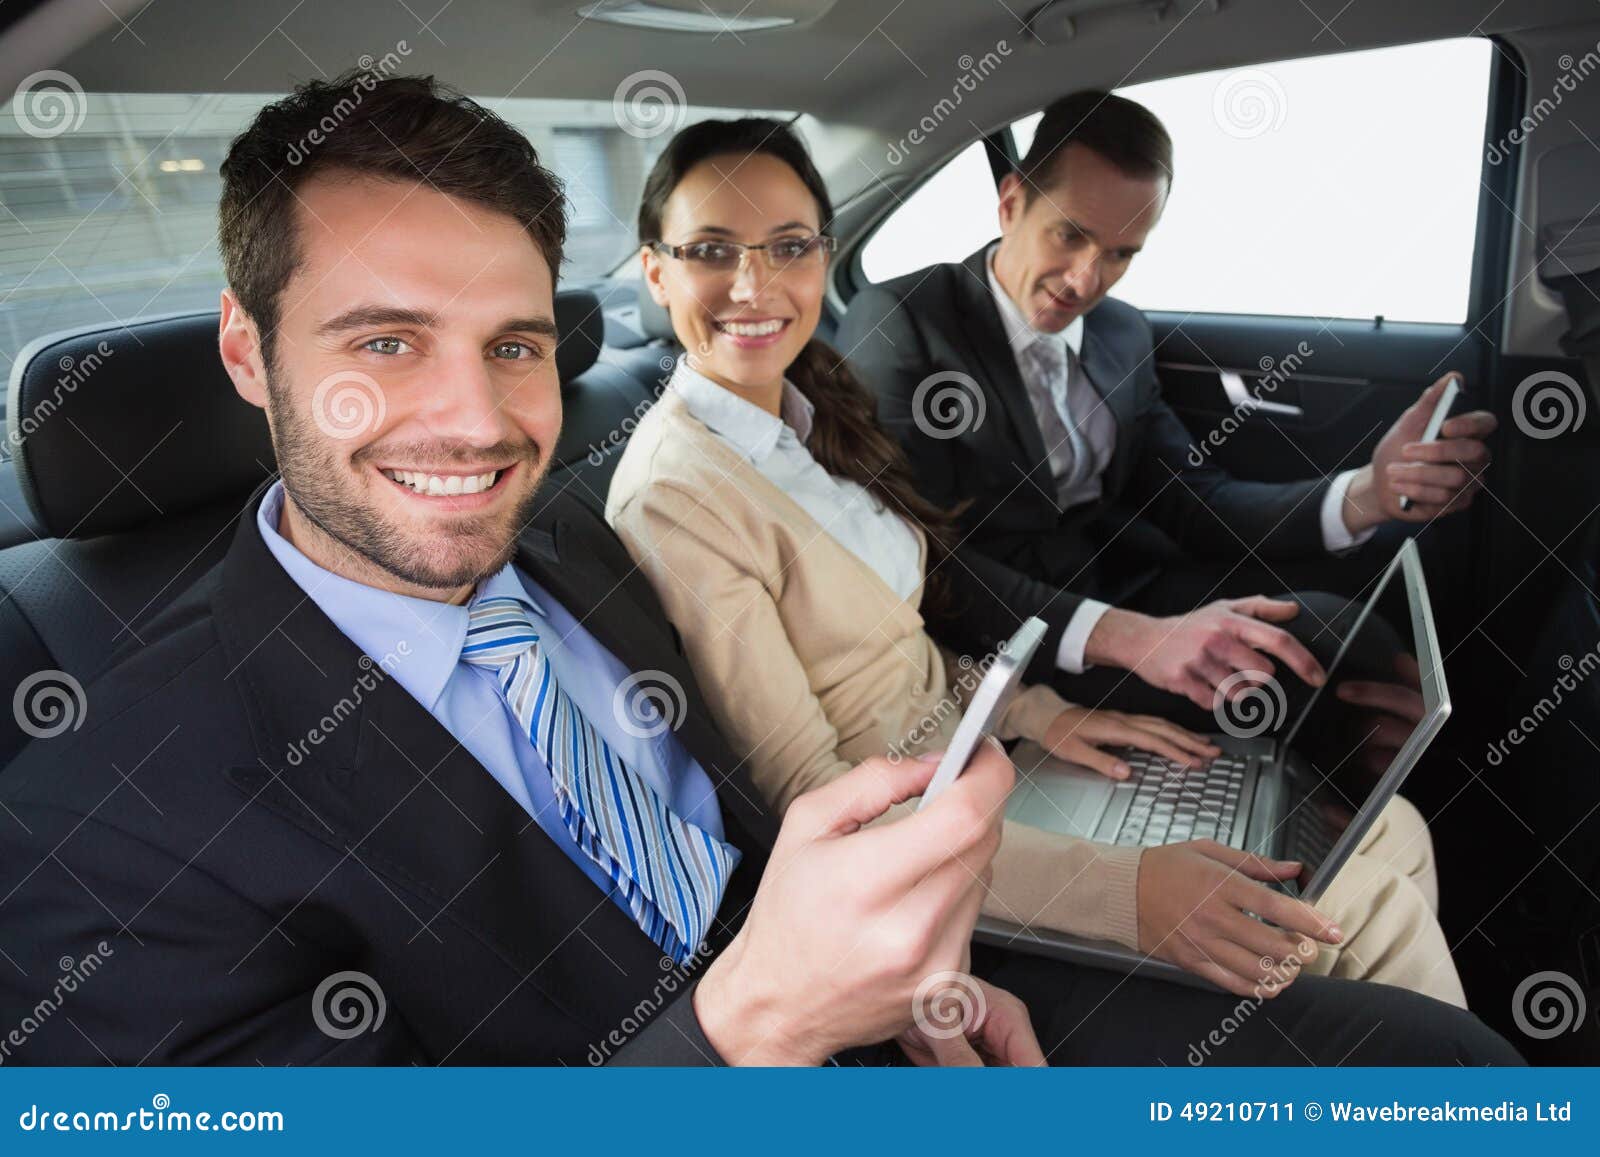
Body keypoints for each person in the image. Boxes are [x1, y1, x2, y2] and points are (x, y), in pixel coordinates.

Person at [0, 75, 1514, 1069]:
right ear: (248, 354)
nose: (475, 419)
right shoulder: (107, 810)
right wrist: (752, 1022)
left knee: (1434, 1058)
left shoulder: (570, 557)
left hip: (910, 987)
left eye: (515, 346)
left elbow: (773, 806)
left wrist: (936, 943)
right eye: (384, 343)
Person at [605, 115, 1468, 1008]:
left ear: (822, 256)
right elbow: (818, 802)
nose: (755, 283)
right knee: (1367, 910)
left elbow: (909, 634)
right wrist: (1123, 891)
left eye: (788, 246)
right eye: (712, 248)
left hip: (993, 748)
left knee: (1393, 831)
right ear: (655, 268)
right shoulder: (680, 491)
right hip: (926, 842)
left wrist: (1040, 712)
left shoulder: (807, 418)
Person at [835, 90, 1498, 726]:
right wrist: (1130, 638)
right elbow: (920, 552)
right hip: (1003, 634)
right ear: (1010, 206)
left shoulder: (1122, 334)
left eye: (1121, 254)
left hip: (1125, 580)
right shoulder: (901, 323)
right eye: (1069, 236)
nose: (1086, 281)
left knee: (1387, 574)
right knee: (1322, 652)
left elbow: (1195, 501)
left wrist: (1369, 495)